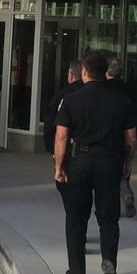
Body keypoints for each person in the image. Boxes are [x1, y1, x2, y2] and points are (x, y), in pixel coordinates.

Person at [54, 51, 137, 274]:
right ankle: (109, 261)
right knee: (109, 218)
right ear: (105, 73)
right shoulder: (121, 100)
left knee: (76, 217)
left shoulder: (72, 99)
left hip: (79, 160)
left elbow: (61, 135)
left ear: (84, 72)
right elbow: (131, 138)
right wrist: (128, 162)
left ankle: (77, 271)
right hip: (110, 162)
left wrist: (59, 166)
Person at [106, 57, 137, 218]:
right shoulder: (131, 89)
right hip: (132, 135)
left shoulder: (105, 89)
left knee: (109, 171)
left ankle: (118, 201)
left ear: (107, 71)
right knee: (124, 168)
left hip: (112, 136)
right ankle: (126, 195)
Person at [44, 60, 85, 213]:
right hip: (94, 152)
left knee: (65, 185)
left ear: (70, 75)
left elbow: (55, 128)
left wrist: (53, 151)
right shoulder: (100, 95)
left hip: (69, 150)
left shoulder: (64, 96)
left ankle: (73, 215)